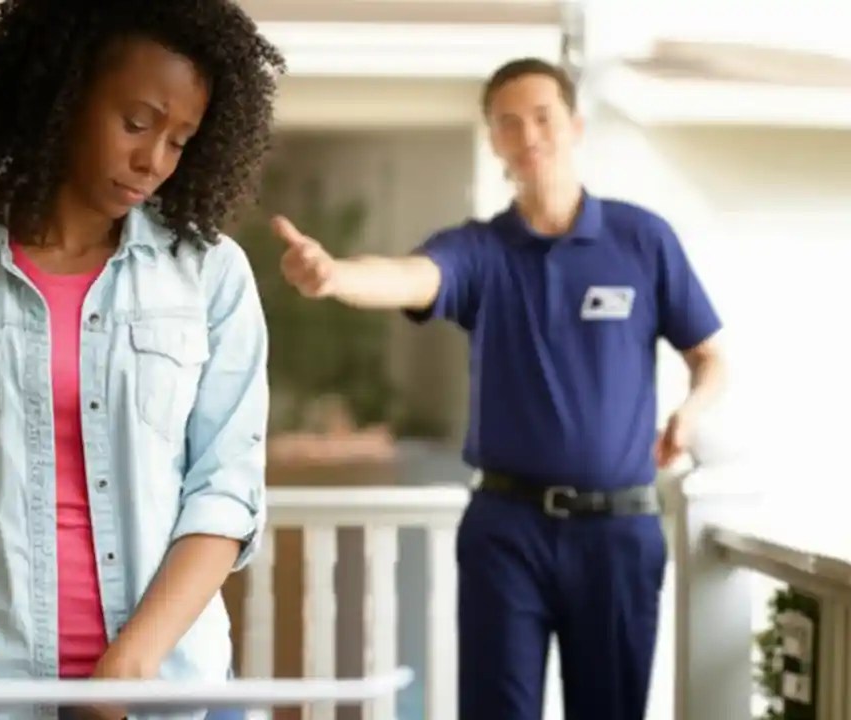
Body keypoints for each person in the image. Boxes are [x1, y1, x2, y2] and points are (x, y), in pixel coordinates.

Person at [272, 58, 726, 720]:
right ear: (494, 141)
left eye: (542, 117)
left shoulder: (642, 239)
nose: (528, 135)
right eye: (509, 123)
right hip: (507, 530)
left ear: (575, 125)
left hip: (618, 533)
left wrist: (689, 412)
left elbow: (710, 357)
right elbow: (411, 276)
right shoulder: (480, 251)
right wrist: (336, 276)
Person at [0, 2, 283, 719]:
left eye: (179, 140)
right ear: (61, 95)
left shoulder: (210, 276)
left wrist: (129, 667)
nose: (154, 161)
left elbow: (225, 489)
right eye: (136, 123)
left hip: (167, 693)